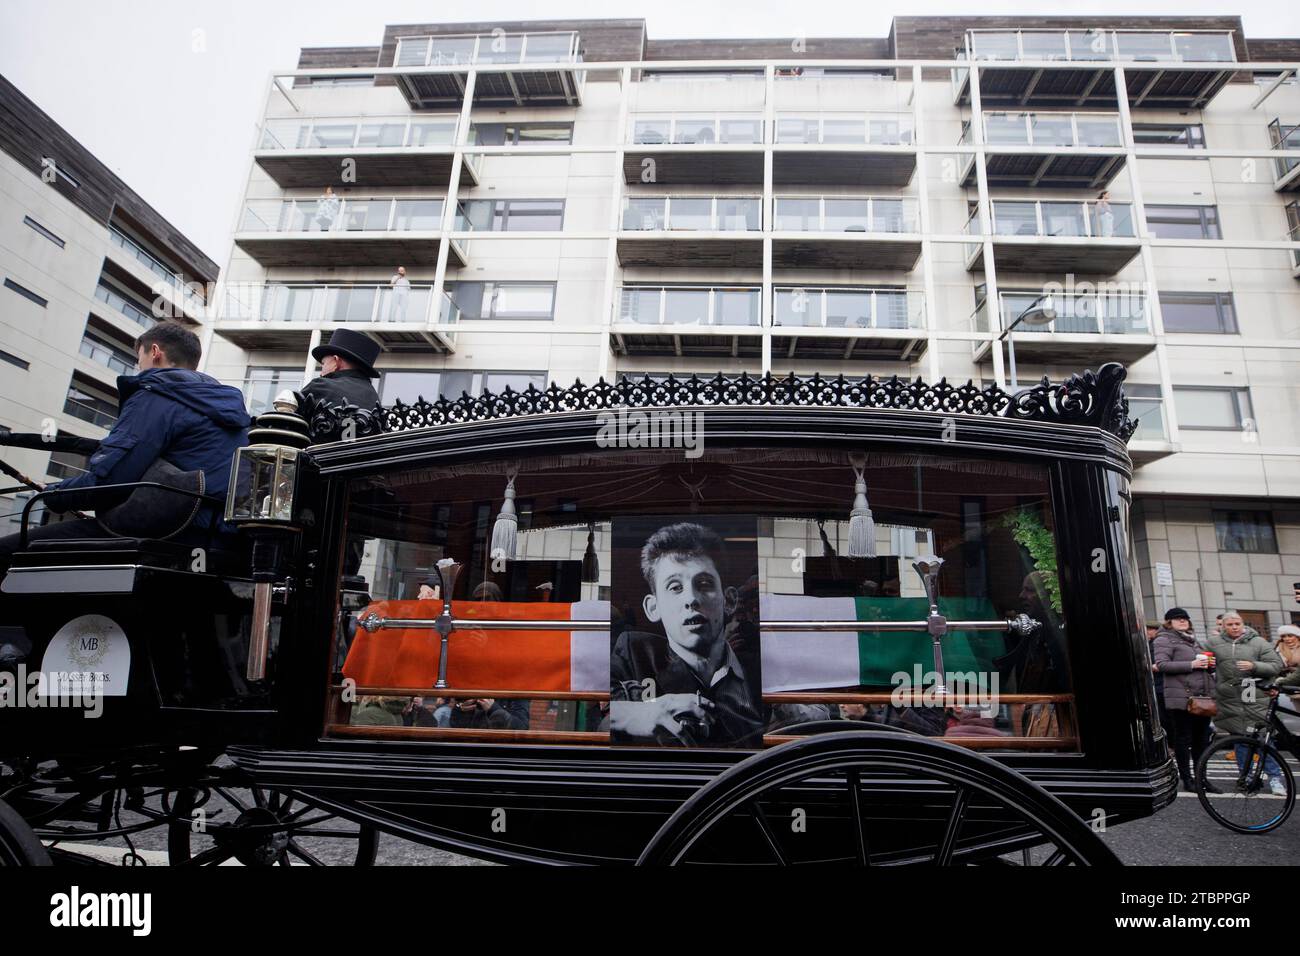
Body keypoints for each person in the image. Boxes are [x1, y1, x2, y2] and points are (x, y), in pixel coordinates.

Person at [0, 323, 250, 574]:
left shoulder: (158, 395)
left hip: (167, 532)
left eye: (138, 358)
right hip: (218, 539)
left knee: (6, 552)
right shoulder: (222, 407)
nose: (138, 366)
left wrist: (55, 494)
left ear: (154, 352)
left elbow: (114, 478)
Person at [610, 522, 763, 747]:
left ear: (729, 601)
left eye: (704, 584)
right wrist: (632, 714)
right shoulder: (635, 653)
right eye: (675, 587)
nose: (691, 599)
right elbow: (595, 712)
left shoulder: (759, 666)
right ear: (653, 608)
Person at [1206, 610, 1287, 795]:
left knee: (1262, 738)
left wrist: (1254, 666)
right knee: (1240, 739)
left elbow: (1276, 665)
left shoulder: (1257, 642)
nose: (1234, 627)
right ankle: (1246, 778)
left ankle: (1275, 778)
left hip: (1253, 693)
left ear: (1243, 624)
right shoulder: (1213, 643)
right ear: (1223, 626)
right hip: (1229, 698)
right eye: (1230, 624)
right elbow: (1205, 662)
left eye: (1237, 624)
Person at [1152, 607, 1216, 791]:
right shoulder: (1164, 639)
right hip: (1180, 698)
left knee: (1201, 740)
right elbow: (1162, 664)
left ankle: (1202, 778)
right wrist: (1192, 664)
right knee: (1183, 739)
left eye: (1185, 619)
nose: (1182, 621)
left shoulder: (1192, 640)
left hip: (1201, 698)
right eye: (1178, 619)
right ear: (1169, 622)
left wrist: (1210, 665)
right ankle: (1187, 780)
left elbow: (1202, 667)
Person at [298, 328, 381, 442]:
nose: (321, 372)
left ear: (336, 361)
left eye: (323, 364)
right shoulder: (374, 397)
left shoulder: (321, 386)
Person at [448, 697, 529, 730]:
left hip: (502, 752)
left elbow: (521, 728)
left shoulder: (516, 691)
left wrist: (493, 709)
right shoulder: (472, 686)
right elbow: (455, 725)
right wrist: (460, 708)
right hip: (471, 750)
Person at [1146, 621, 1169, 733]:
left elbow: (1160, 664)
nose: (1146, 632)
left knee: (1165, 717)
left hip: (1161, 684)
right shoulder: (1151, 643)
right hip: (1157, 684)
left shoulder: (1157, 643)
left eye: (1148, 629)